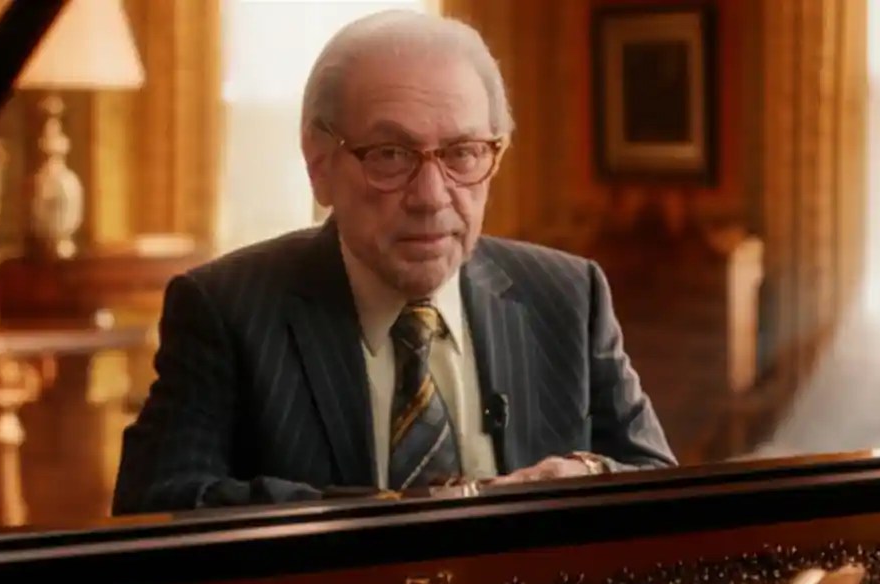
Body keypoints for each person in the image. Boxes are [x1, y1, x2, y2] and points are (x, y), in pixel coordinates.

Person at [112, 10, 675, 514]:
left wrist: (588, 476)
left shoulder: (568, 295)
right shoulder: (225, 309)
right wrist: (393, 516)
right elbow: (158, 505)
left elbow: (667, 490)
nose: (432, 195)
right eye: (390, 155)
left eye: (462, 153)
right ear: (319, 163)